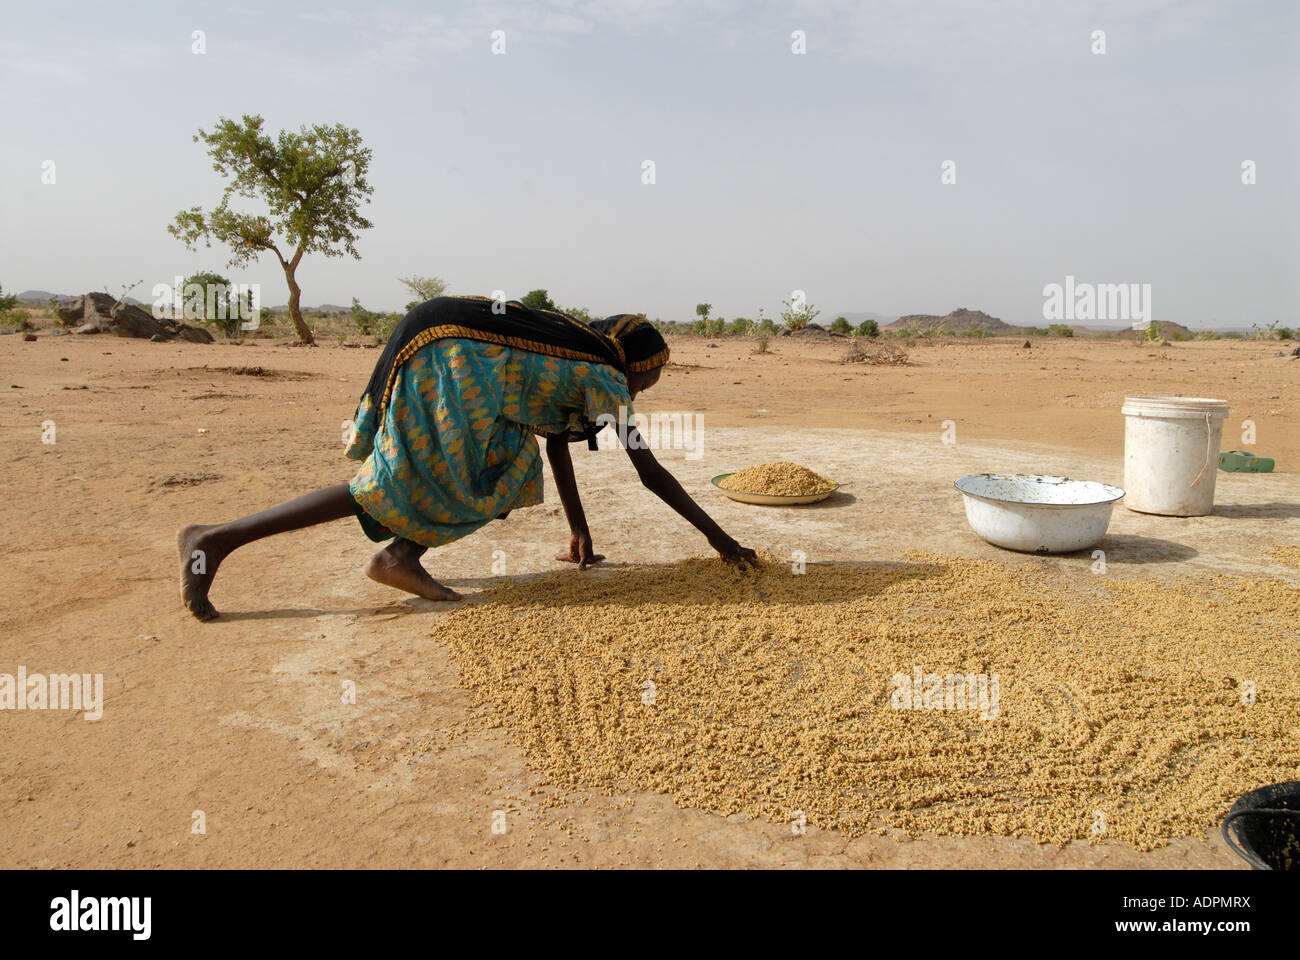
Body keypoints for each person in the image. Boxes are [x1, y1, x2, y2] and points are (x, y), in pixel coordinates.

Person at [179, 295, 757, 620]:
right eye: (651, 378)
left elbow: (555, 439)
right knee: (450, 479)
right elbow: (648, 472)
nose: (647, 388)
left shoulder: (574, 356)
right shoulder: (603, 373)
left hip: (440, 341)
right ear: (635, 365)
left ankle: (385, 553)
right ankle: (227, 539)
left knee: (491, 465)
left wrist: (579, 528)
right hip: (452, 355)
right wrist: (723, 542)